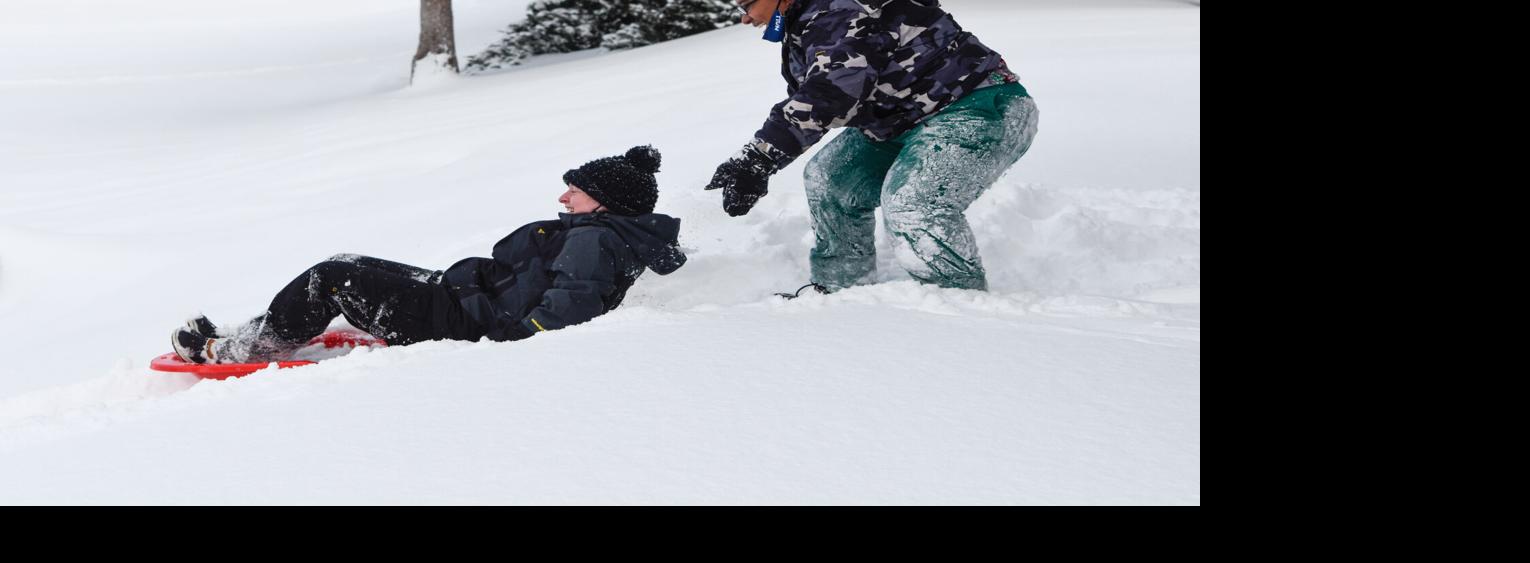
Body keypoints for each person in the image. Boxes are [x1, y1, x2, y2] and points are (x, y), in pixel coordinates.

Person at [173, 146, 686, 364]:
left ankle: (236, 351)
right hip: (460, 293)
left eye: (574, 189)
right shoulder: (598, 231)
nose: (563, 197)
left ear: (607, 199)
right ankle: (262, 329)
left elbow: (567, 309)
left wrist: (506, 345)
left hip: (460, 318)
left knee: (331, 277)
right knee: (347, 261)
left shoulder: (593, 240)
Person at [705, 0, 1037, 292]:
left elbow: (828, 96)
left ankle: (959, 304)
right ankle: (844, 289)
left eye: (746, 5)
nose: (745, 18)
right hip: (902, 120)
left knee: (912, 205)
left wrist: (760, 157)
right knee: (830, 179)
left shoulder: (839, 11)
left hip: (979, 105)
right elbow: (819, 96)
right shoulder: (809, 19)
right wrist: (757, 159)